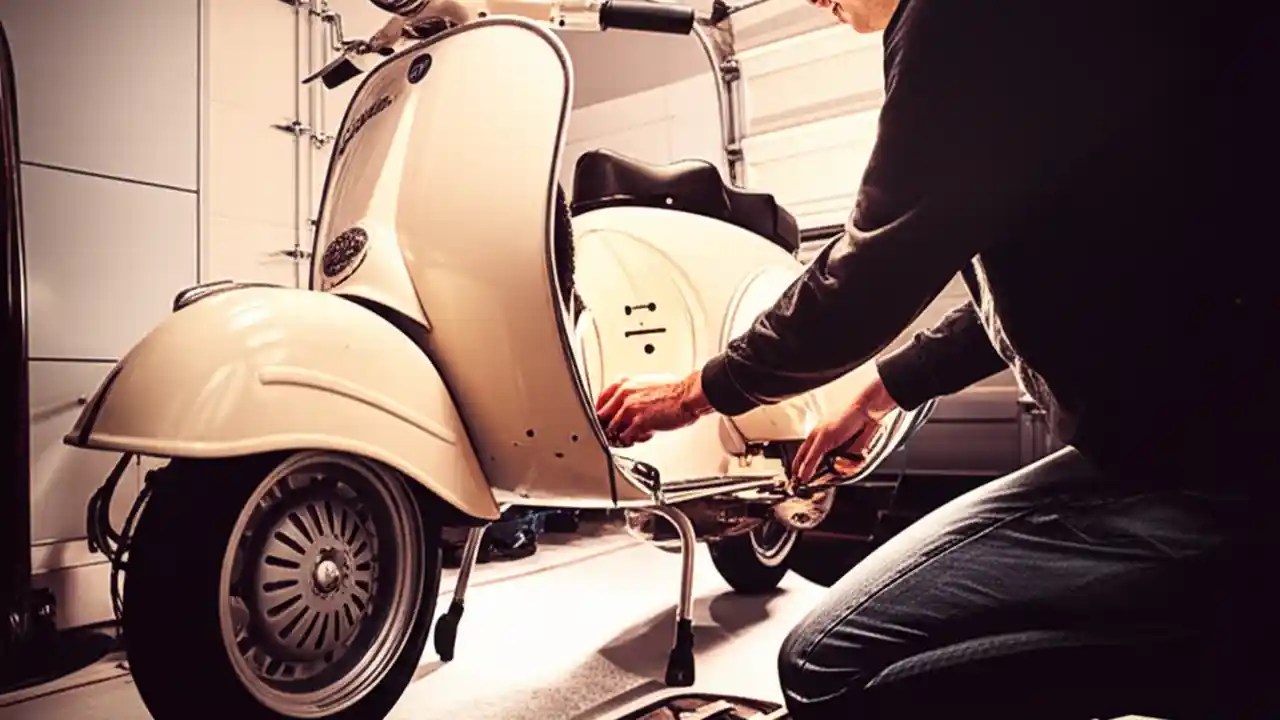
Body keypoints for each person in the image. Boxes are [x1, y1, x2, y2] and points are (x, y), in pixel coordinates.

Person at [595, 0, 1276, 717]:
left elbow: (871, 272)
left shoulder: (958, 18)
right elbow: (1078, 284)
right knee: (825, 655)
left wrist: (697, 392)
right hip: (1153, 455)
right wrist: (885, 387)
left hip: (1220, 476)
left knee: (828, 669)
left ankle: (1251, 649)